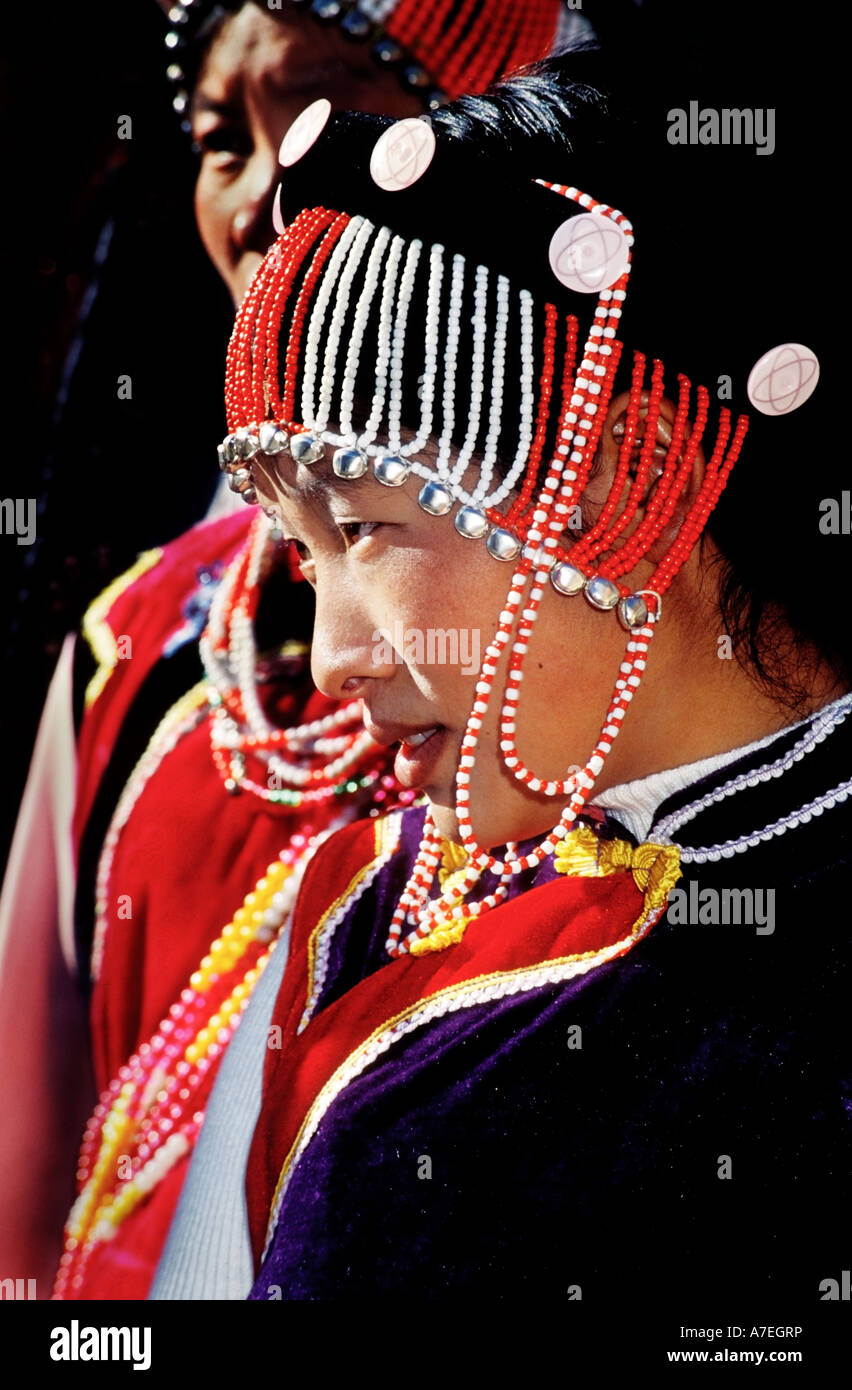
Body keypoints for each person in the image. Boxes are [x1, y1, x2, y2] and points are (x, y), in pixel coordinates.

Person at [155, 49, 848, 1303]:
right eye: (308, 556)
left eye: (369, 527)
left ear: (626, 474)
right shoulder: (363, 907)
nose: (339, 660)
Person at [0, 0, 569, 1301]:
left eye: (338, 99)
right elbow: (24, 1201)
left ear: (510, 109)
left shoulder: (627, 634)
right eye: (217, 139)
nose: (267, 185)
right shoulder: (141, 648)